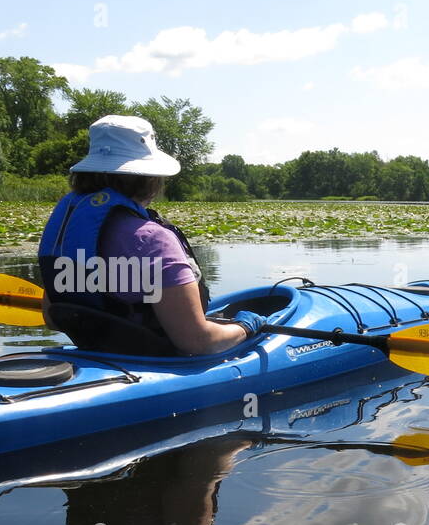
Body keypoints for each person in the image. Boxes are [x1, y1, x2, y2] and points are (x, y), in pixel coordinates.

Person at [38, 114, 266, 355]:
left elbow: (52, 318)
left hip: (95, 353)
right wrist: (245, 327)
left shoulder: (67, 231)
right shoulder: (152, 241)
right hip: (156, 364)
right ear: (149, 178)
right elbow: (198, 342)